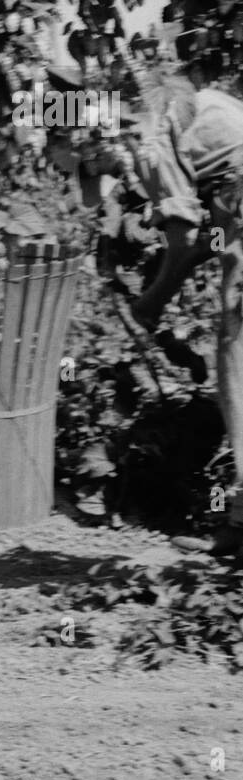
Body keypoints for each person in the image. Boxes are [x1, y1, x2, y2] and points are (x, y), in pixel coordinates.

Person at [123, 76, 243, 559]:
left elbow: (186, 240)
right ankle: (238, 523)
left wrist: (149, 305)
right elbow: (207, 237)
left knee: (235, 353)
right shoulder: (196, 107)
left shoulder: (149, 145)